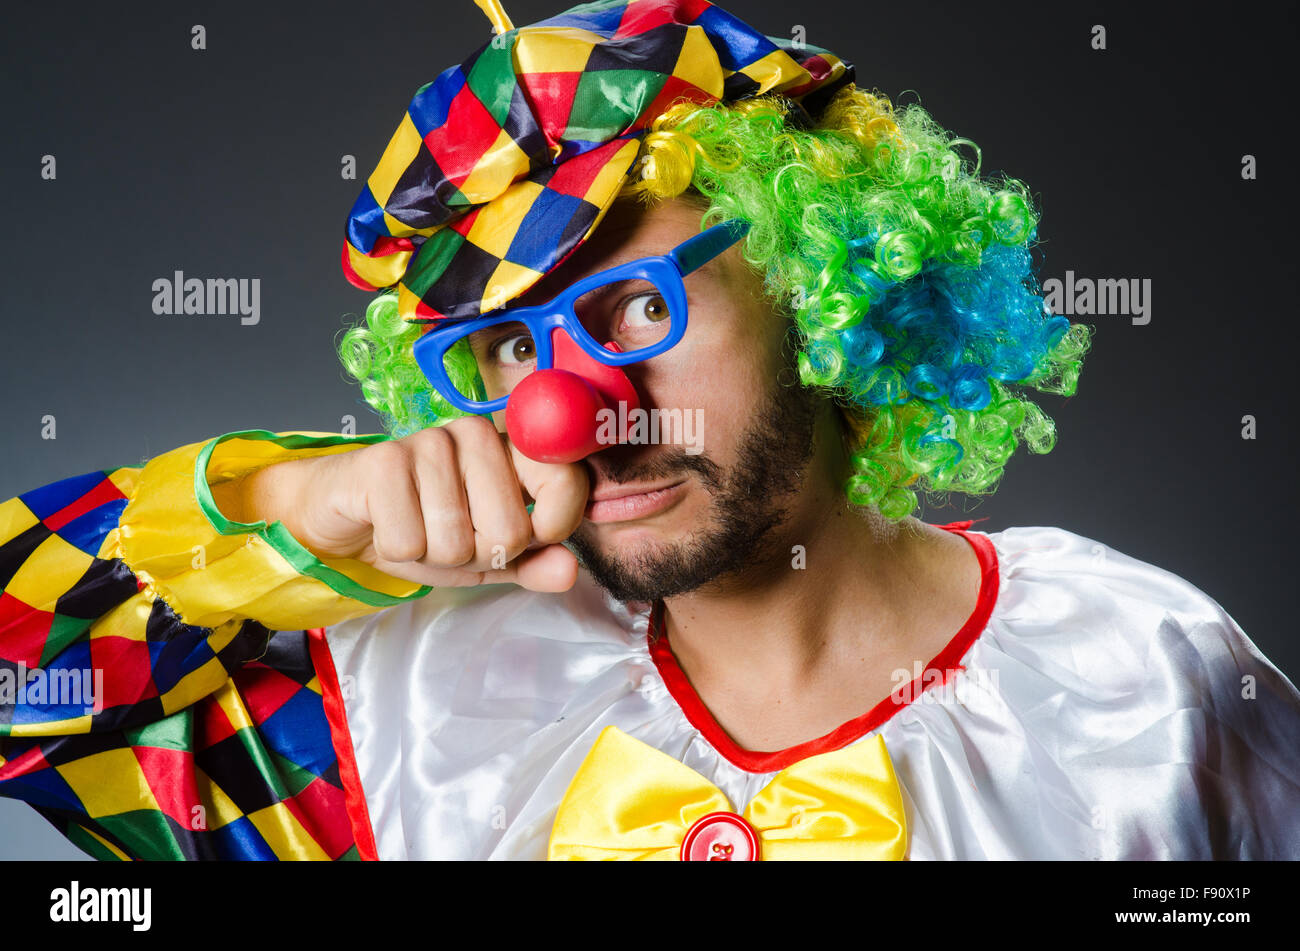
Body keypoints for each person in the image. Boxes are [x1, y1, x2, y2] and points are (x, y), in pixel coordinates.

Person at [2, 0, 1298, 861]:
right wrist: (286, 508)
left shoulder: (1149, 685)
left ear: (820, 273)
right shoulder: (392, 725)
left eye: (633, 301)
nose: (577, 409)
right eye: (509, 349)